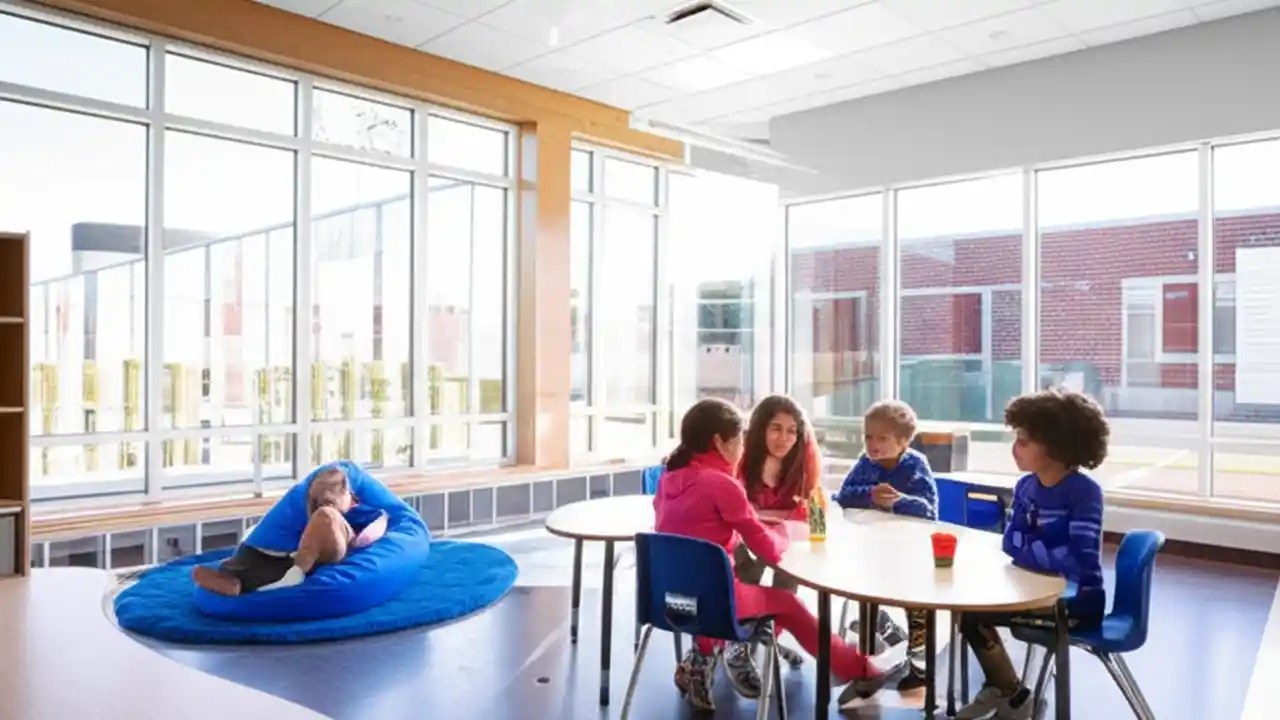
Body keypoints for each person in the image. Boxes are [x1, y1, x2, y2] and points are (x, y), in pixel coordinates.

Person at [654, 398, 885, 712]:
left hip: (667, 601)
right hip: (714, 603)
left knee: (723, 580)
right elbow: (769, 549)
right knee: (787, 603)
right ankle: (860, 670)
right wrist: (782, 531)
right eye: (738, 439)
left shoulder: (668, 477)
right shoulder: (722, 483)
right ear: (720, 442)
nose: (741, 447)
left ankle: (700, 660)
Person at [954, 389, 1109, 720]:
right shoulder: (1026, 487)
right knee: (968, 612)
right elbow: (1011, 543)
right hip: (1034, 590)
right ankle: (1009, 688)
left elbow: (1078, 559)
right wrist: (1041, 550)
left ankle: (1015, 696)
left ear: (1057, 446)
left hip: (1076, 600)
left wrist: (1032, 549)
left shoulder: (1085, 494)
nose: (1015, 449)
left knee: (977, 614)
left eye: (1024, 441)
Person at [832, 399, 938, 690]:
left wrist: (898, 501)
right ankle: (867, 658)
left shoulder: (915, 465)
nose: (873, 444)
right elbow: (843, 495)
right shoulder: (866, 463)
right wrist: (869, 495)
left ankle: (919, 664)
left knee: (917, 607)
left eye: (882, 438)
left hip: (910, 553)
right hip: (873, 550)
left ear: (904, 440)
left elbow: (928, 510)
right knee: (864, 590)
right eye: (868, 437)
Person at [723, 395, 822, 697]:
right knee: (747, 568)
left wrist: (765, 516)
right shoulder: (741, 460)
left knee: (789, 567)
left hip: (778, 537)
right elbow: (733, 511)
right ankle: (736, 640)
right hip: (739, 535)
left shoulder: (802, 461)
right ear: (761, 429)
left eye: (792, 430)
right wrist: (766, 517)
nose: (784, 438)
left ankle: (772, 635)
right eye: (776, 429)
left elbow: (811, 512)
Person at [193, 466, 389, 596]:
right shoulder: (326, 514)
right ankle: (292, 573)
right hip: (283, 563)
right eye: (349, 494)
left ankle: (231, 581)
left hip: (250, 558)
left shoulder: (299, 503)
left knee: (207, 572)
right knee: (326, 519)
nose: (354, 500)